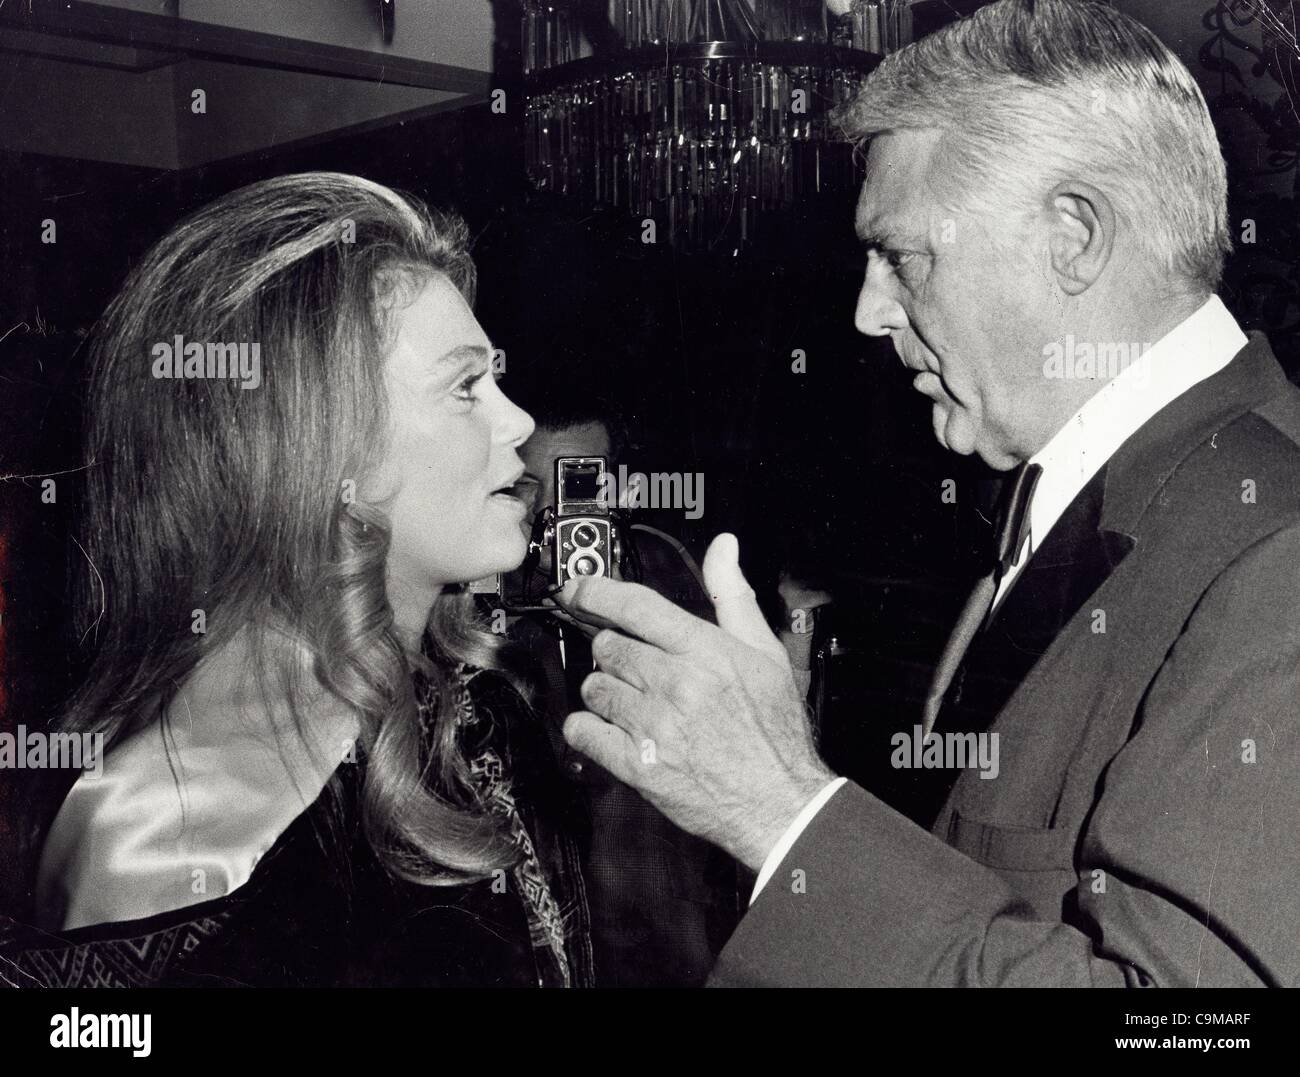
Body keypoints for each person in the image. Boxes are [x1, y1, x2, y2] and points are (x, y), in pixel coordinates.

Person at [552, 0, 1300, 986]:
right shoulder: (1082, 496)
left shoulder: (1272, 553)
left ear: (1074, 236)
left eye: (903, 257)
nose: (867, 312)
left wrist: (779, 806)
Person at [1, 172, 594, 987]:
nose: (518, 421)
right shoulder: (159, 828)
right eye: (466, 386)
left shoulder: (481, 710)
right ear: (317, 443)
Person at [503, 391, 743, 986]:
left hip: (662, 910)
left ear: (624, 494)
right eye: (535, 487)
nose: (559, 516)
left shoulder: (660, 569)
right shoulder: (478, 584)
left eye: (582, 488)